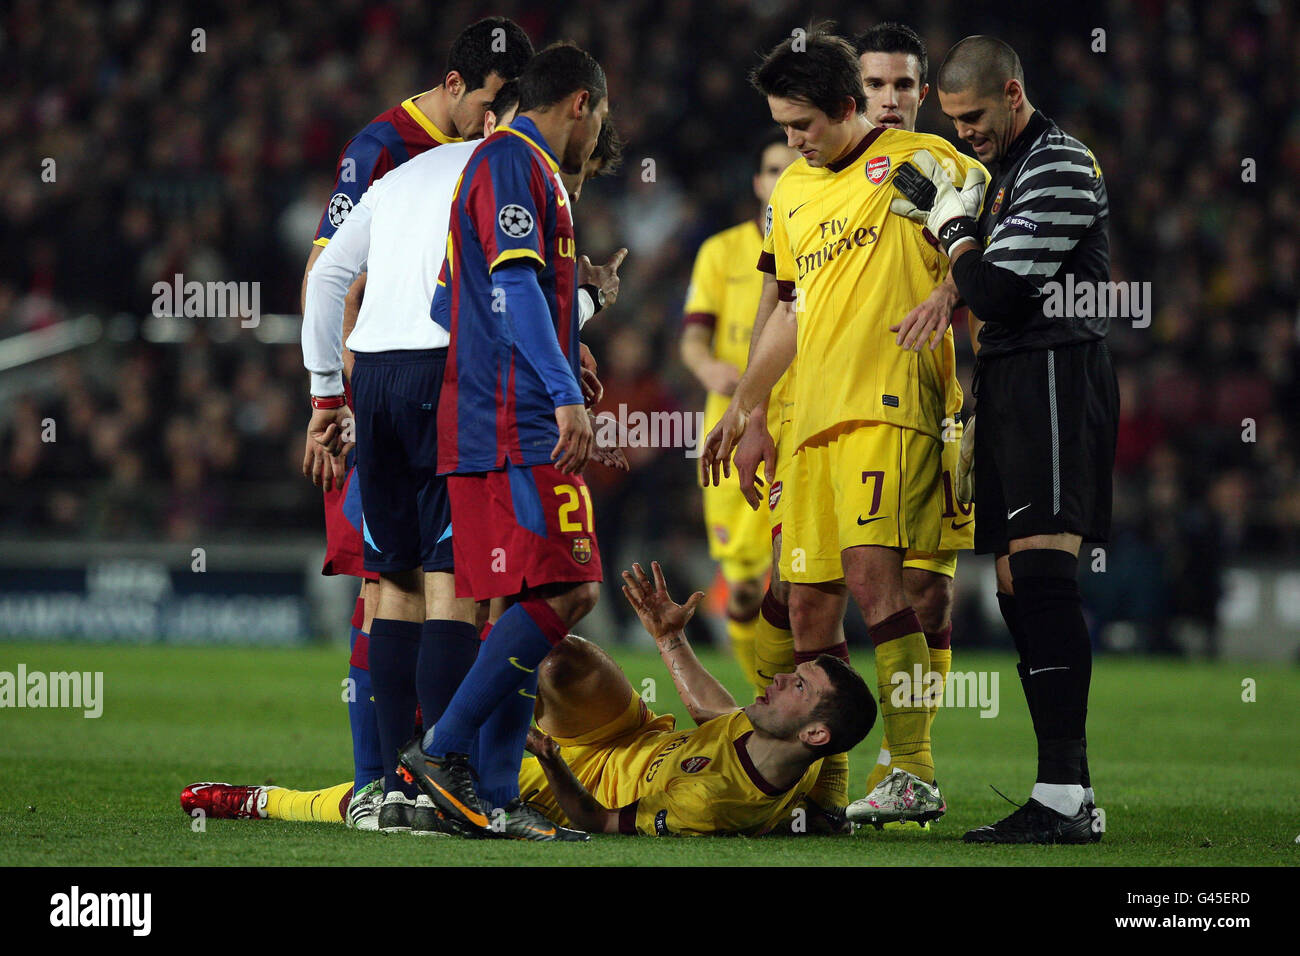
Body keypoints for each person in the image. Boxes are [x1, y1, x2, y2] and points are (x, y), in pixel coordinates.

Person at [700, 27, 987, 827]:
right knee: (807, 609)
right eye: (783, 127)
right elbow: (789, 310)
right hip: (813, 418)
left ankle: (915, 771)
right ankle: (826, 791)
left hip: (892, 402)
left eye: (803, 126)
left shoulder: (917, 163)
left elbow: (986, 244)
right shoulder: (791, 191)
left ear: (845, 107)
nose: (792, 141)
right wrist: (750, 408)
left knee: (877, 579)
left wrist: (950, 298)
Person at [297, 17, 533, 830]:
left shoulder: (486, 149)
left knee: (424, 583)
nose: (495, 123)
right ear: (455, 84)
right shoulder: (383, 149)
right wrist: (332, 400)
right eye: (488, 104)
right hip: (416, 384)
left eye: (512, 106)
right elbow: (326, 275)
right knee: (415, 582)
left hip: (400, 382)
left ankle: (419, 780)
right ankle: (399, 777)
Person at [179, 562, 876, 837]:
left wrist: (557, 763)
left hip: (574, 781)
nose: (782, 679)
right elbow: (715, 719)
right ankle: (454, 681)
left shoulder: (712, 807)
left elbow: (604, 824)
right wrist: (669, 643)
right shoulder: (807, 760)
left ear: (812, 732)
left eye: (798, 687)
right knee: (560, 654)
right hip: (627, 732)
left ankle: (256, 799)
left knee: (402, 798)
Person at [893, 35, 1115, 843]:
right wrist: (961, 247)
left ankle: (1066, 795)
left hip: (1057, 371)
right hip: (1015, 380)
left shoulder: (1058, 164)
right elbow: (982, 286)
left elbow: (994, 288)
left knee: (1047, 577)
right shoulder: (1008, 172)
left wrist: (955, 234)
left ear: (1014, 94)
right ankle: (1065, 790)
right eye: (952, 120)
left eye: (975, 116)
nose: (963, 134)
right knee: (1018, 585)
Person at [397, 43, 611, 841]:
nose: (596, 141)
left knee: (524, 598)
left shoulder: (487, 170)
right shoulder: (517, 163)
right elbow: (515, 284)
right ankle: (441, 750)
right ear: (581, 103)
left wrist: (562, 343)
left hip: (482, 421)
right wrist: (558, 392)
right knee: (571, 588)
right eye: (599, 120)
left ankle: (490, 796)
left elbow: (452, 305)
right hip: (517, 424)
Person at [679, 130, 798, 699]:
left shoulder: (821, 242)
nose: (781, 180)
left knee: (799, 582)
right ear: (758, 181)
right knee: (748, 587)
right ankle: (766, 698)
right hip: (731, 430)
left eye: (792, 168)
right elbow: (692, 340)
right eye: (772, 170)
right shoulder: (720, 251)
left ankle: (790, 707)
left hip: (797, 423)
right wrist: (710, 374)